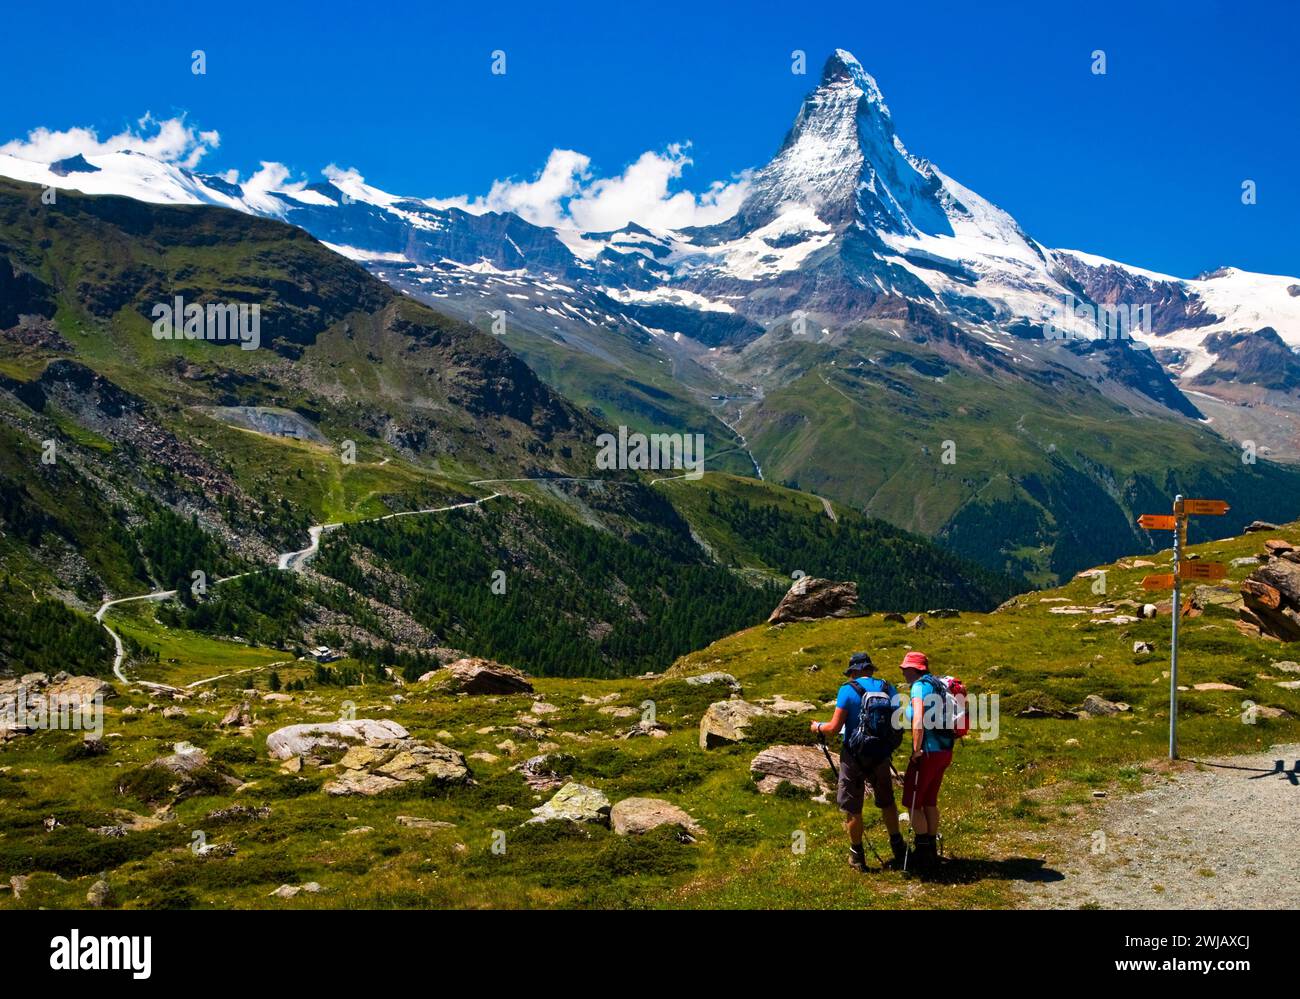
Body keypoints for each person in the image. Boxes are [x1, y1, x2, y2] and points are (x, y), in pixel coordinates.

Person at [810, 652, 906, 872]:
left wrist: (817, 727)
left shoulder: (848, 690)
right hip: (880, 753)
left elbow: (834, 728)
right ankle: (898, 846)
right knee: (887, 801)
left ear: (853, 671)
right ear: (870, 669)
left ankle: (857, 856)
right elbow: (896, 721)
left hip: (854, 755)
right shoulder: (887, 688)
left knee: (853, 806)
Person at [899, 650, 953, 873]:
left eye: (905, 669)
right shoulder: (939, 685)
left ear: (916, 669)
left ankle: (922, 852)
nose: (903, 672)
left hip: (927, 752)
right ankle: (931, 849)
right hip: (945, 750)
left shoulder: (920, 687)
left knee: (911, 803)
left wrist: (916, 750)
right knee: (929, 800)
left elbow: (919, 719)